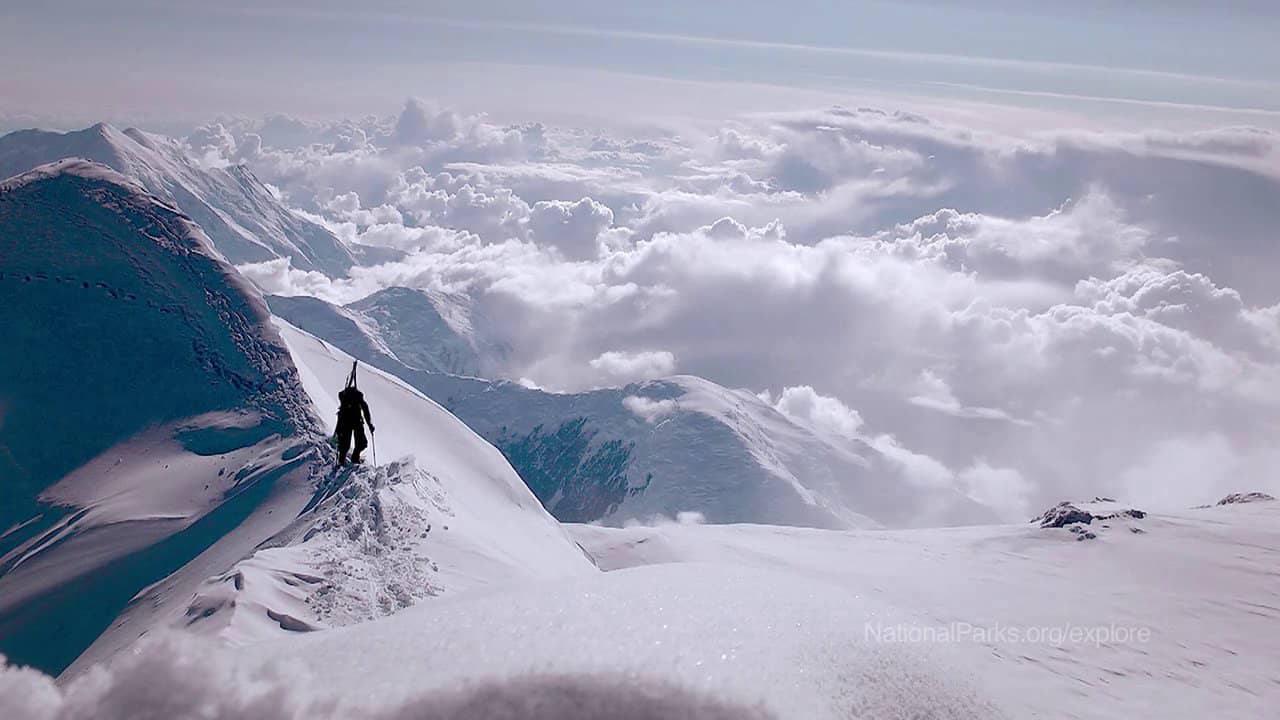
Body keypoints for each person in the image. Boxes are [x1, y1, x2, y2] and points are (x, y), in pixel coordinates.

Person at [336, 363, 374, 466]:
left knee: (344, 444)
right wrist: (370, 425)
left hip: (345, 422)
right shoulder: (358, 397)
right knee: (361, 443)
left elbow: (341, 414)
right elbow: (366, 410)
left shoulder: (343, 397)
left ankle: (341, 461)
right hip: (356, 421)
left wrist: (338, 429)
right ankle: (354, 458)